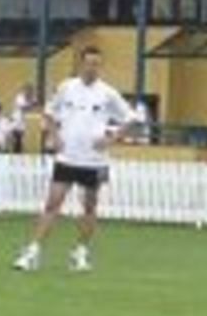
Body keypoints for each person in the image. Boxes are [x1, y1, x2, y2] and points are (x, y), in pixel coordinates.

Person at [12, 45, 139, 273]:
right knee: (52, 203)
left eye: (97, 64)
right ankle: (32, 251)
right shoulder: (66, 87)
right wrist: (54, 136)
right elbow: (49, 113)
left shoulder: (108, 93)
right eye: (89, 63)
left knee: (89, 206)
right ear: (81, 64)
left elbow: (131, 118)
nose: (93, 68)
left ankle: (80, 252)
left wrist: (111, 139)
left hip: (94, 160)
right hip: (68, 157)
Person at [11, 82, 37, 154]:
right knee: (17, 141)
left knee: (26, 142)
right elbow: (24, 107)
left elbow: (36, 107)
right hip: (17, 122)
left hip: (29, 123)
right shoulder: (19, 97)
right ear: (24, 90)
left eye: (31, 90)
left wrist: (32, 105)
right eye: (27, 90)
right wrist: (32, 105)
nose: (29, 92)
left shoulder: (33, 97)